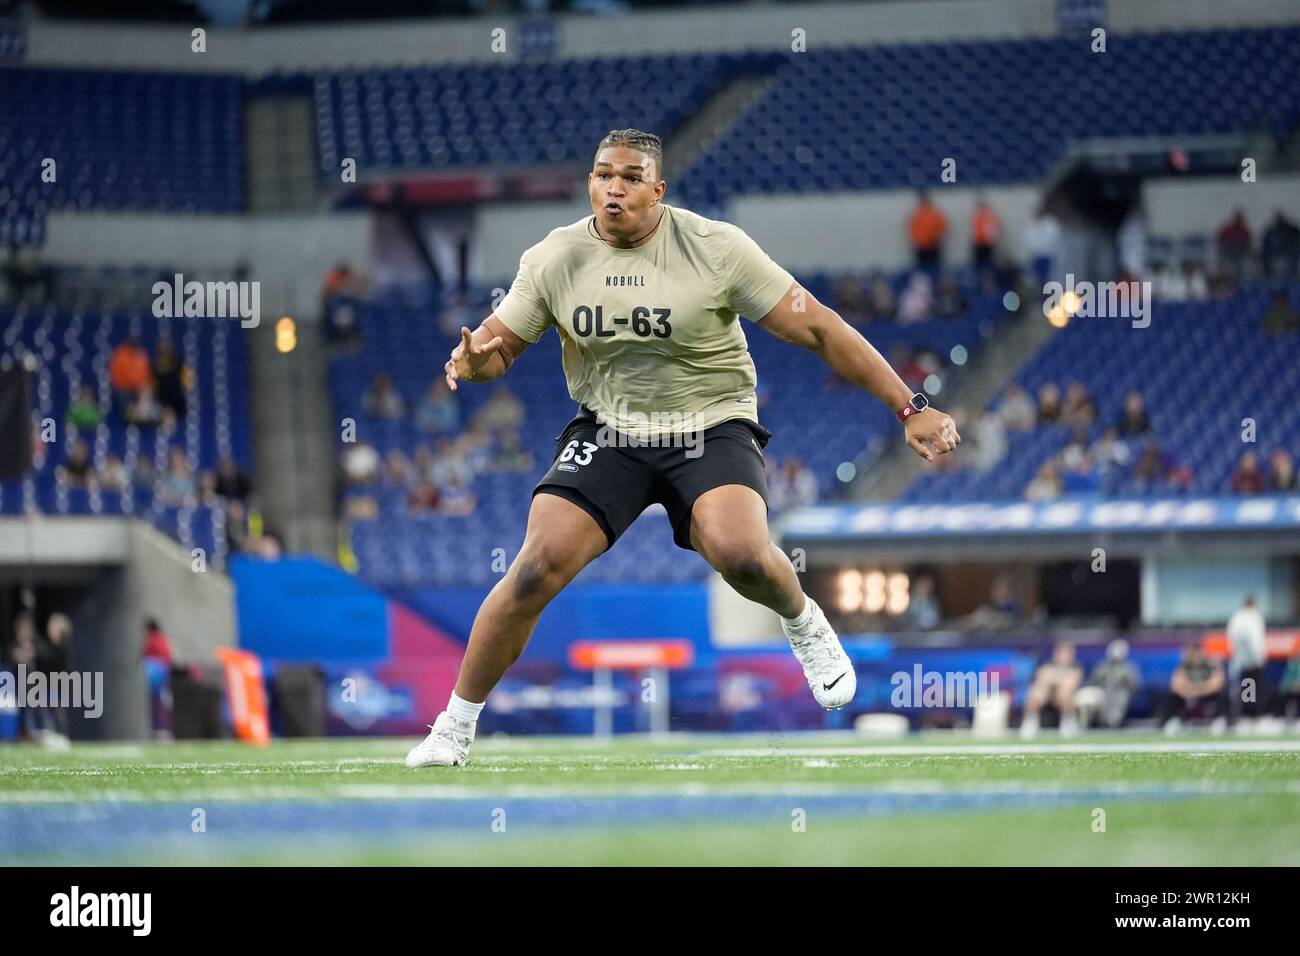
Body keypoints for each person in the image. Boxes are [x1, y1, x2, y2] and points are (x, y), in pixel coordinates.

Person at [405, 129, 961, 767]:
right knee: (534, 568)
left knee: (742, 554)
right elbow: (499, 346)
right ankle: (453, 728)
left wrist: (909, 406)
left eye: (630, 177)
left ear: (658, 190)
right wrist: (476, 362)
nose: (613, 188)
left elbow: (816, 325)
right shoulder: (554, 258)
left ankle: (804, 621)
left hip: (711, 423)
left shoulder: (715, 248)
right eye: (602, 174)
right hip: (610, 429)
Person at [1158, 642, 1226, 733]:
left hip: (1206, 694)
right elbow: (1176, 685)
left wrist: (1199, 690)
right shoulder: (1184, 666)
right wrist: (1191, 692)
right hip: (1189, 694)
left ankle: (1219, 720)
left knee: (1222, 695)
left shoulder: (1210, 664)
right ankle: (1171, 721)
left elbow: (1217, 683)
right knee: (1173, 696)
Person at [1020, 642, 1084, 738]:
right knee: (1035, 692)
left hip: (1066, 696)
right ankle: (1030, 723)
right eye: (1062, 653)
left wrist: (1054, 679)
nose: (1064, 656)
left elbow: (1072, 683)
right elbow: (1041, 678)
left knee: (1064, 693)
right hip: (1047, 694)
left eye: (1067, 653)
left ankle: (1068, 723)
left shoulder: (1075, 667)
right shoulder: (1048, 665)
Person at [1075, 639, 1140, 729]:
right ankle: (1082, 726)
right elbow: (1092, 682)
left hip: (1119, 696)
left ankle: (1112, 723)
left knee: (1121, 696)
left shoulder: (1129, 669)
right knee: (1086, 697)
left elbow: (1135, 686)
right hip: (1102, 695)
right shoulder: (1102, 667)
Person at [1226, 595, 1268, 723]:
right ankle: (1253, 715)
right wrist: (1259, 656)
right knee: (1253, 687)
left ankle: (1248, 713)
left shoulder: (1237, 618)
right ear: (1252, 604)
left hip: (1241, 660)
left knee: (1247, 686)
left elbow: (1231, 638)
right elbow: (1255, 640)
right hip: (1251, 659)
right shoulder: (1252, 617)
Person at [907, 191, 947, 269]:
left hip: (933, 245)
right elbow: (912, 231)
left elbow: (942, 227)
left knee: (935, 268)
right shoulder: (917, 216)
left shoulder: (935, 215)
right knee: (922, 269)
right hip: (921, 247)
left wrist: (934, 238)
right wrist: (920, 241)